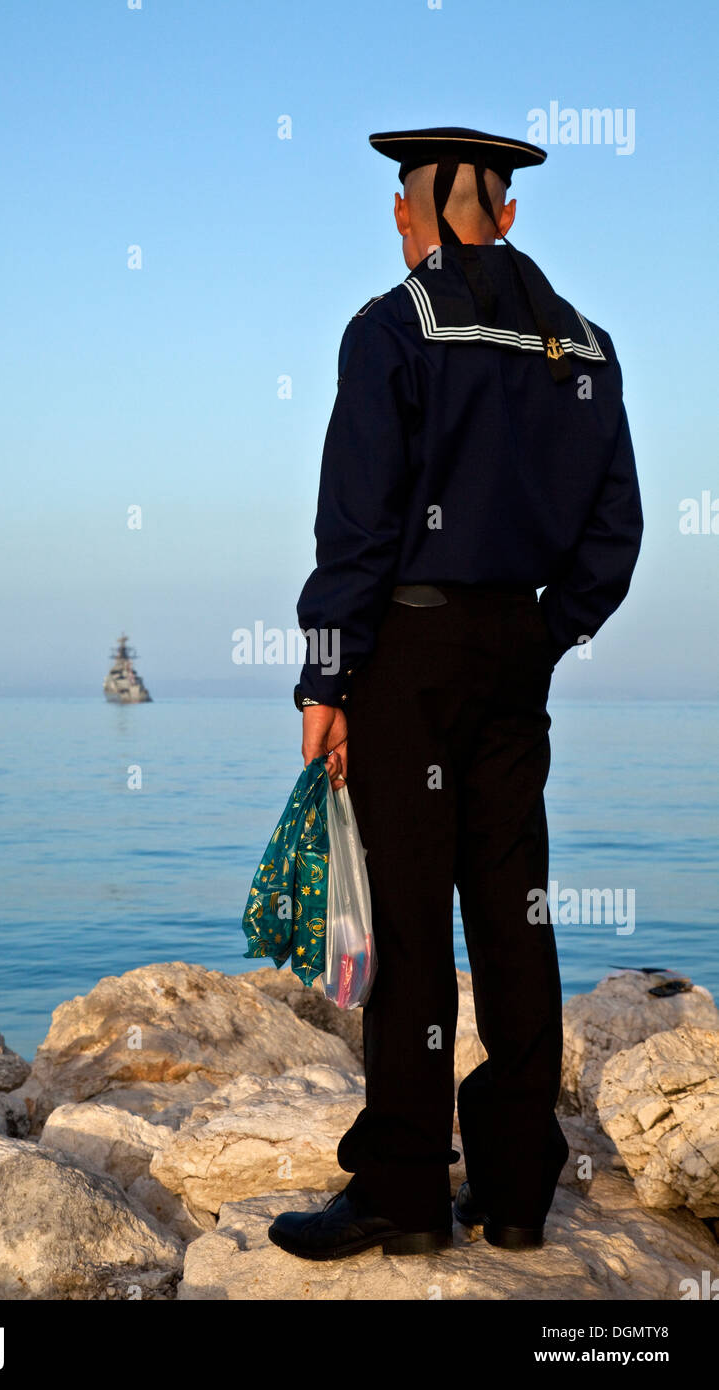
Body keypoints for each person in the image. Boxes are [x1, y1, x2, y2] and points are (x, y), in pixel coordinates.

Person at [268, 126, 644, 1261]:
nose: (393, 218)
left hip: (408, 654)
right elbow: (612, 532)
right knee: (514, 910)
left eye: (398, 199)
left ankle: (402, 1193)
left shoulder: (389, 327)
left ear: (421, 208)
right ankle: (518, 1187)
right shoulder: (582, 348)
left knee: (412, 925)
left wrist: (326, 672)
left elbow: (357, 524)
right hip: (513, 652)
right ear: (507, 213)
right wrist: (544, 628)